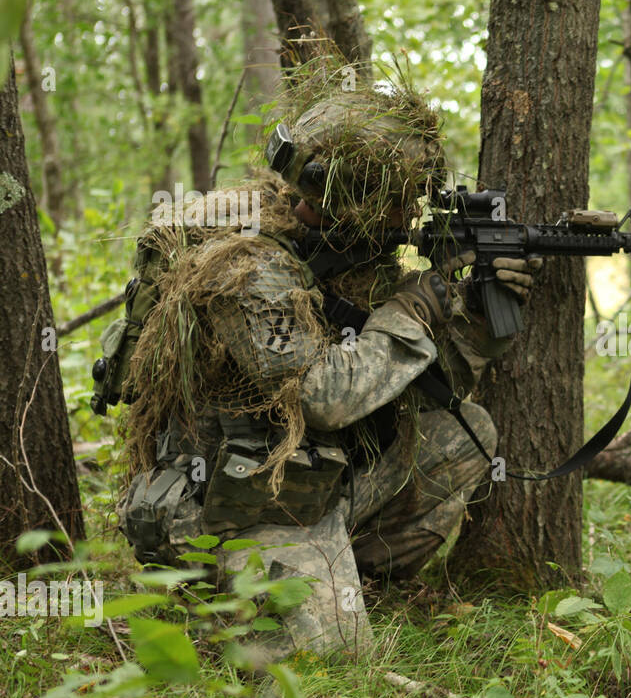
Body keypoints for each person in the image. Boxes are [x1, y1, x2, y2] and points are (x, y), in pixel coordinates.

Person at [118, 69, 540, 658]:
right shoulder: (246, 266)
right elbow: (324, 397)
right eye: (395, 202)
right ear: (348, 198)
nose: (406, 216)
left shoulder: (344, 248)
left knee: (465, 437)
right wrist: (412, 309)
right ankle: (221, 591)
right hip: (226, 513)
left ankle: (352, 573)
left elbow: (410, 389)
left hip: (310, 488)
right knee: (334, 664)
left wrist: (473, 321)